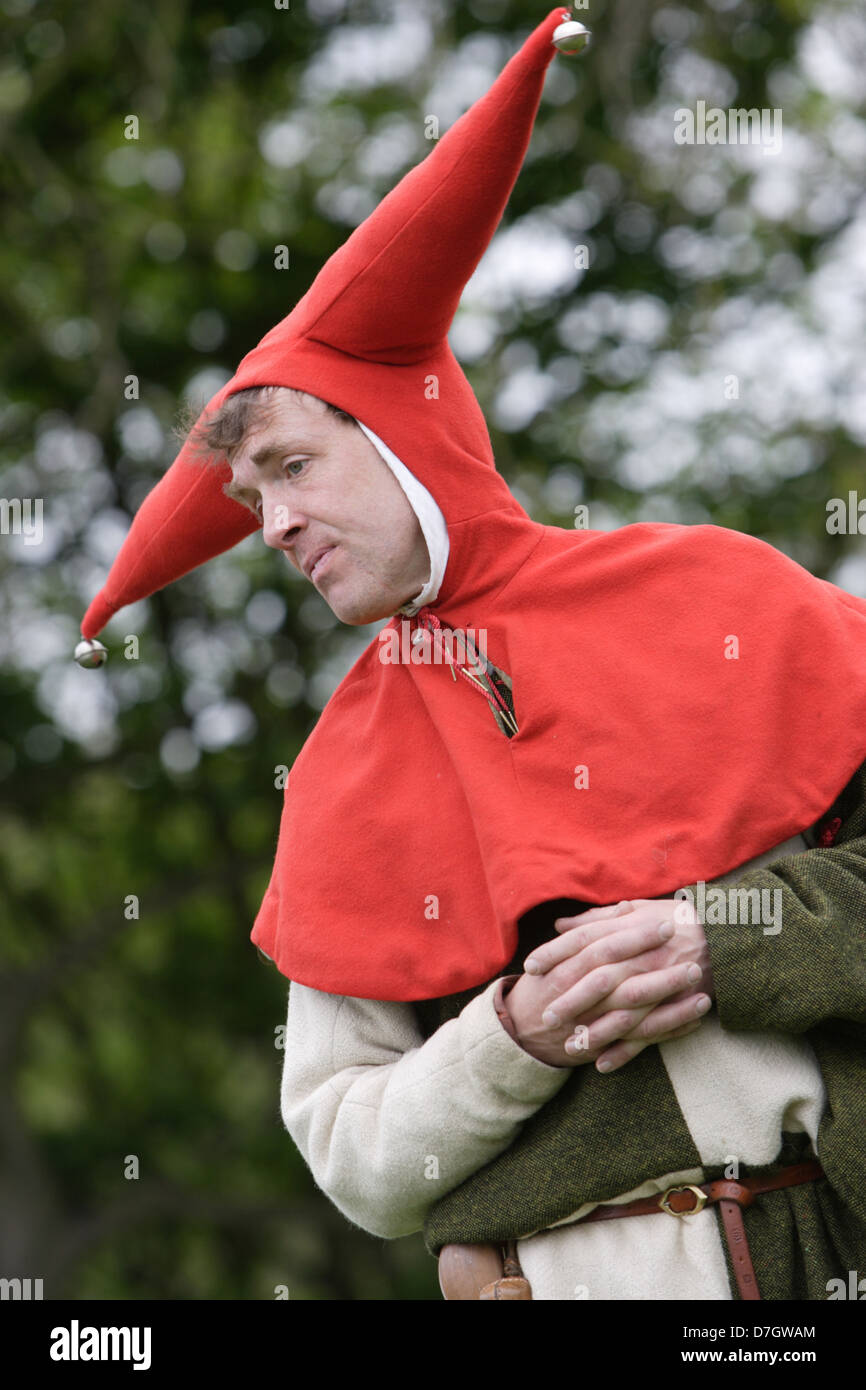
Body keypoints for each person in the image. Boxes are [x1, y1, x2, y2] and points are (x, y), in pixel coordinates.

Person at [75, 9, 866, 1300]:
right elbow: (351, 1152)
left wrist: (727, 935)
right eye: (248, 501)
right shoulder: (338, 776)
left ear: (401, 434)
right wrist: (510, 1034)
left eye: (290, 466)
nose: (272, 524)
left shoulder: (721, 590)